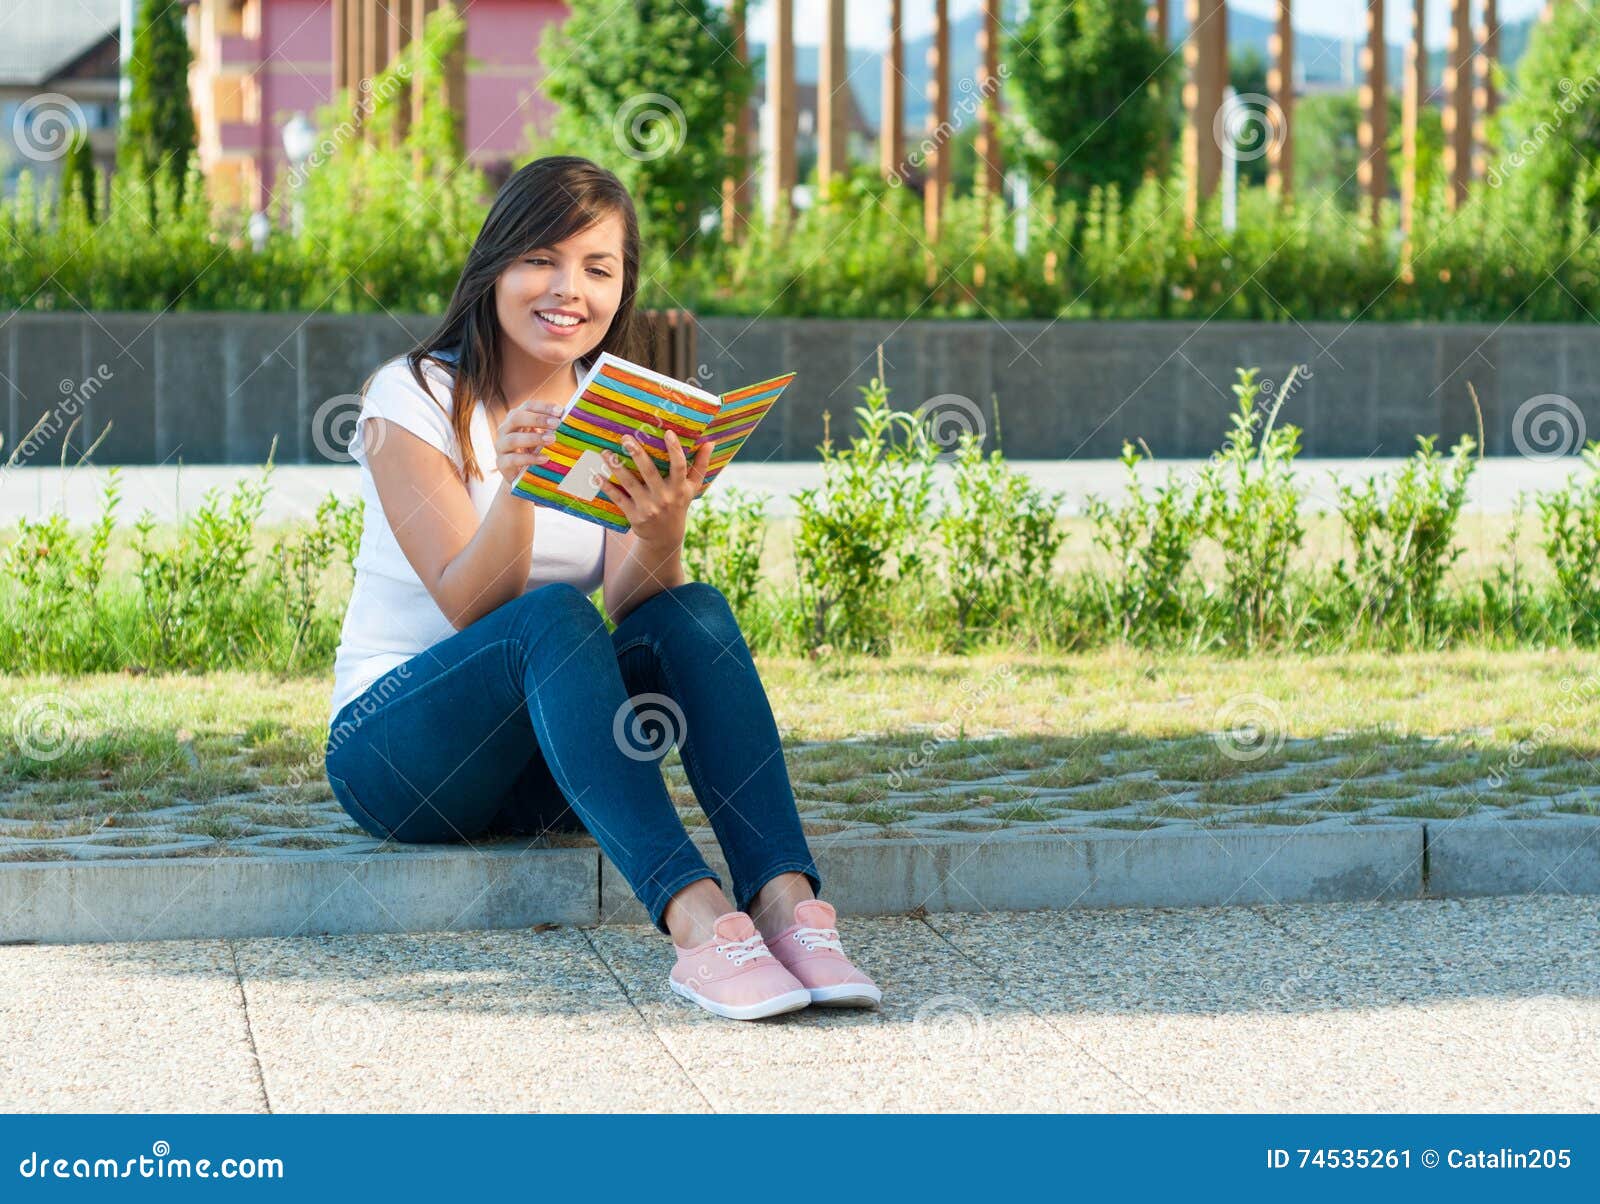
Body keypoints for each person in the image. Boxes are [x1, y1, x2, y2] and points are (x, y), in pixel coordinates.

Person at [323, 155, 880, 1021]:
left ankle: (784, 903)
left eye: (598, 268)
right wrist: (518, 485)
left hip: (551, 764)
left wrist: (662, 522)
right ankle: (698, 923)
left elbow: (635, 610)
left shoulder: (612, 408)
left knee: (691, 611)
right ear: (496, 265)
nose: (567, 289)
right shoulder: (414, 396)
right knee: (548, 614)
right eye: (541, 258)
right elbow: (471, 607)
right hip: (398, 755)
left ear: (623, 288)